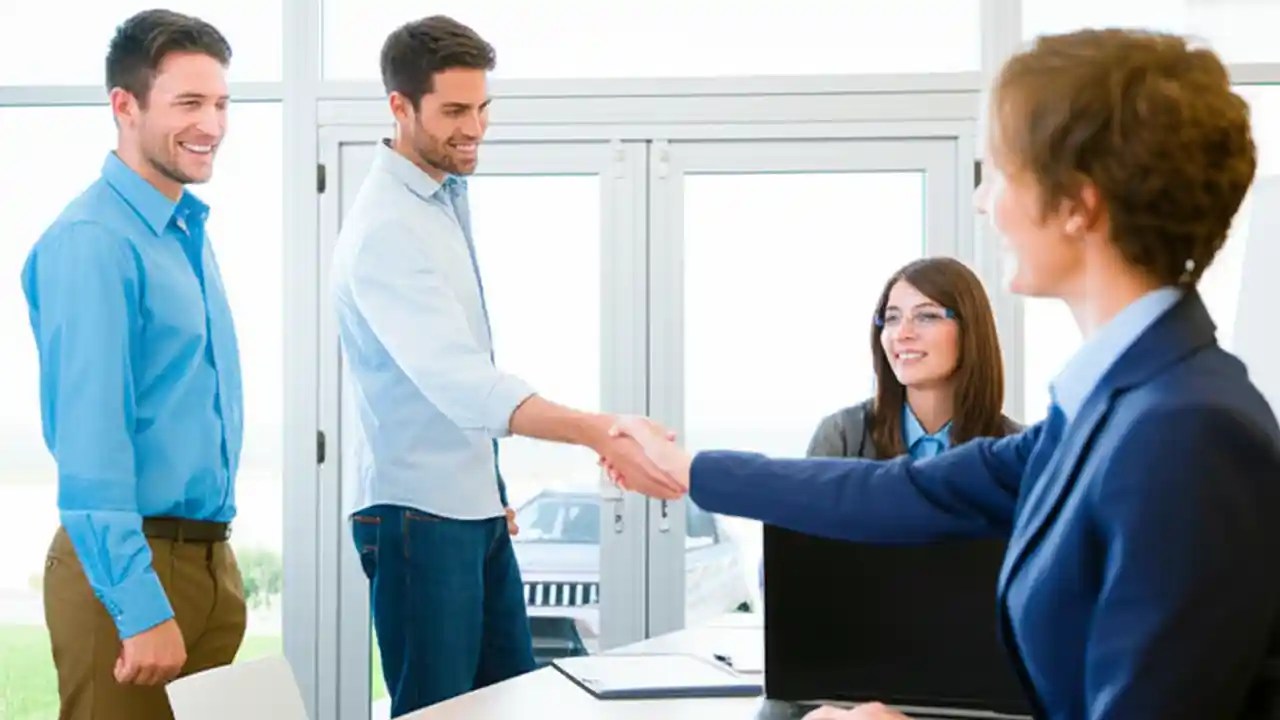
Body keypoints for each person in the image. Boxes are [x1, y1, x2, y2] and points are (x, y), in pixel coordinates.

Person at [609, 28, 1280, 720]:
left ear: (1080, 205)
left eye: (1002, 173)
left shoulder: (1186, 431)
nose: (984, 202)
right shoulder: (1113, 407)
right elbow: (901, 492)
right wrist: (688, 469)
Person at [328, 15, 678, 715]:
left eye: (483, 108)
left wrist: (486, 488)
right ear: (400, 107)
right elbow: (461, 384)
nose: (476, 128)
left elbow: (447, 383)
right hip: (419, 518)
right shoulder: (386, 228)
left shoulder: (439, 202)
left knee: (509, 704)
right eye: (454, 111)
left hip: (469, 511)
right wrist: (595, 429)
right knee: (441, 713)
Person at [21, 10, 245, 720]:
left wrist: (217, 578)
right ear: (125, 106)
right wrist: (139, 602)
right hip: (129, 573)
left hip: (207, 560)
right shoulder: (93, 241)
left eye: (220, 103)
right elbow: (91, 445)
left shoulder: (185, 231)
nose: (212, 123)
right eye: (188, 103)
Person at [756, 256, 1021, 590]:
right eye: (892, 318)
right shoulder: (843, 437)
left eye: (926, 316)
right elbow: (785, 570)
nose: (902, 333)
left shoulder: (1014, 449)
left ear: (970, 330)